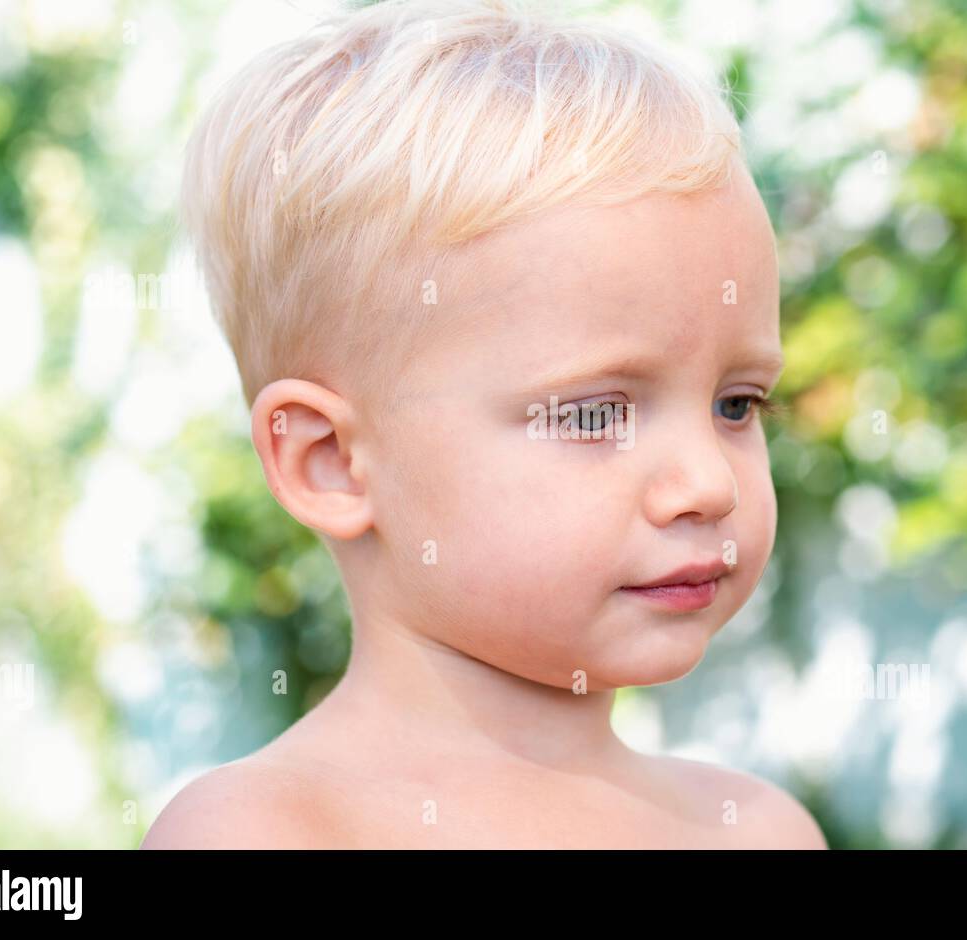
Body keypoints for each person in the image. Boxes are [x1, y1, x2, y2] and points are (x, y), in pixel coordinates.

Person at [142, 0, 826, 849]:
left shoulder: (756, 830)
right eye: (594, 413)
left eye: (736, 404)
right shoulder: (269, 833)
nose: (710, 483)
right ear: (331, 463)